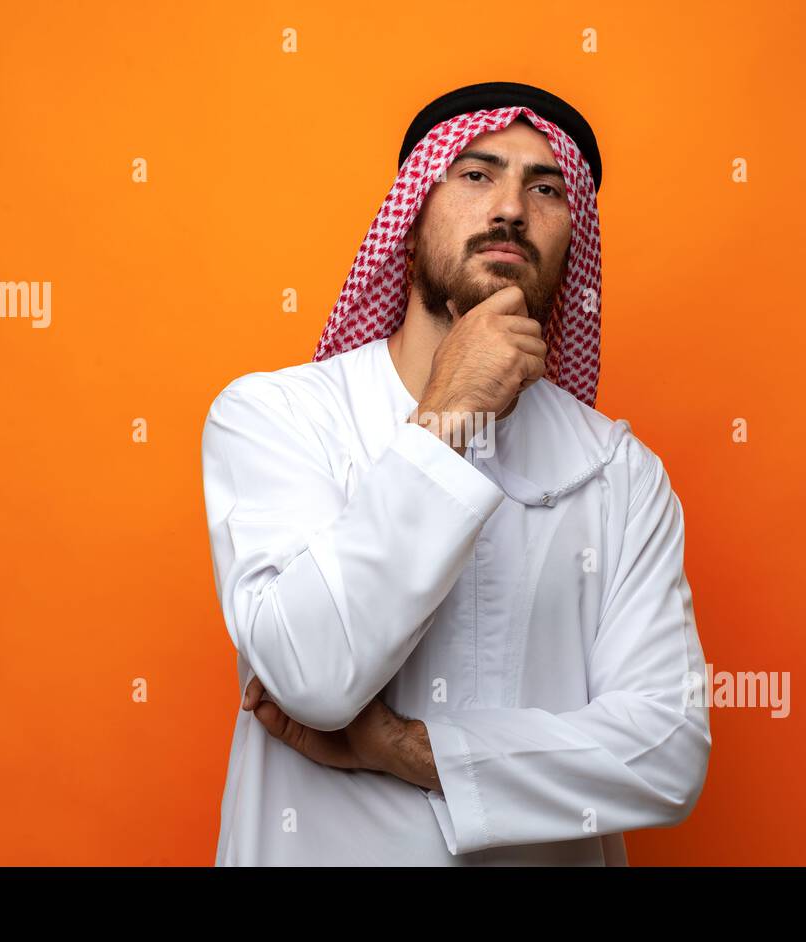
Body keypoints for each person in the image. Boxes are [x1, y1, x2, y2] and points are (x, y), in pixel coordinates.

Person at [201, 81, 711, 865]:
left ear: (573, 244)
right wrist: (447, 413)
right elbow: (311, 677)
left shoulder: (620, 473)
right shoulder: (277, 417)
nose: (509, 207)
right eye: (475, 175)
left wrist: (407, 748)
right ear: (409, 219)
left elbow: (666, 753)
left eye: (545, 188)